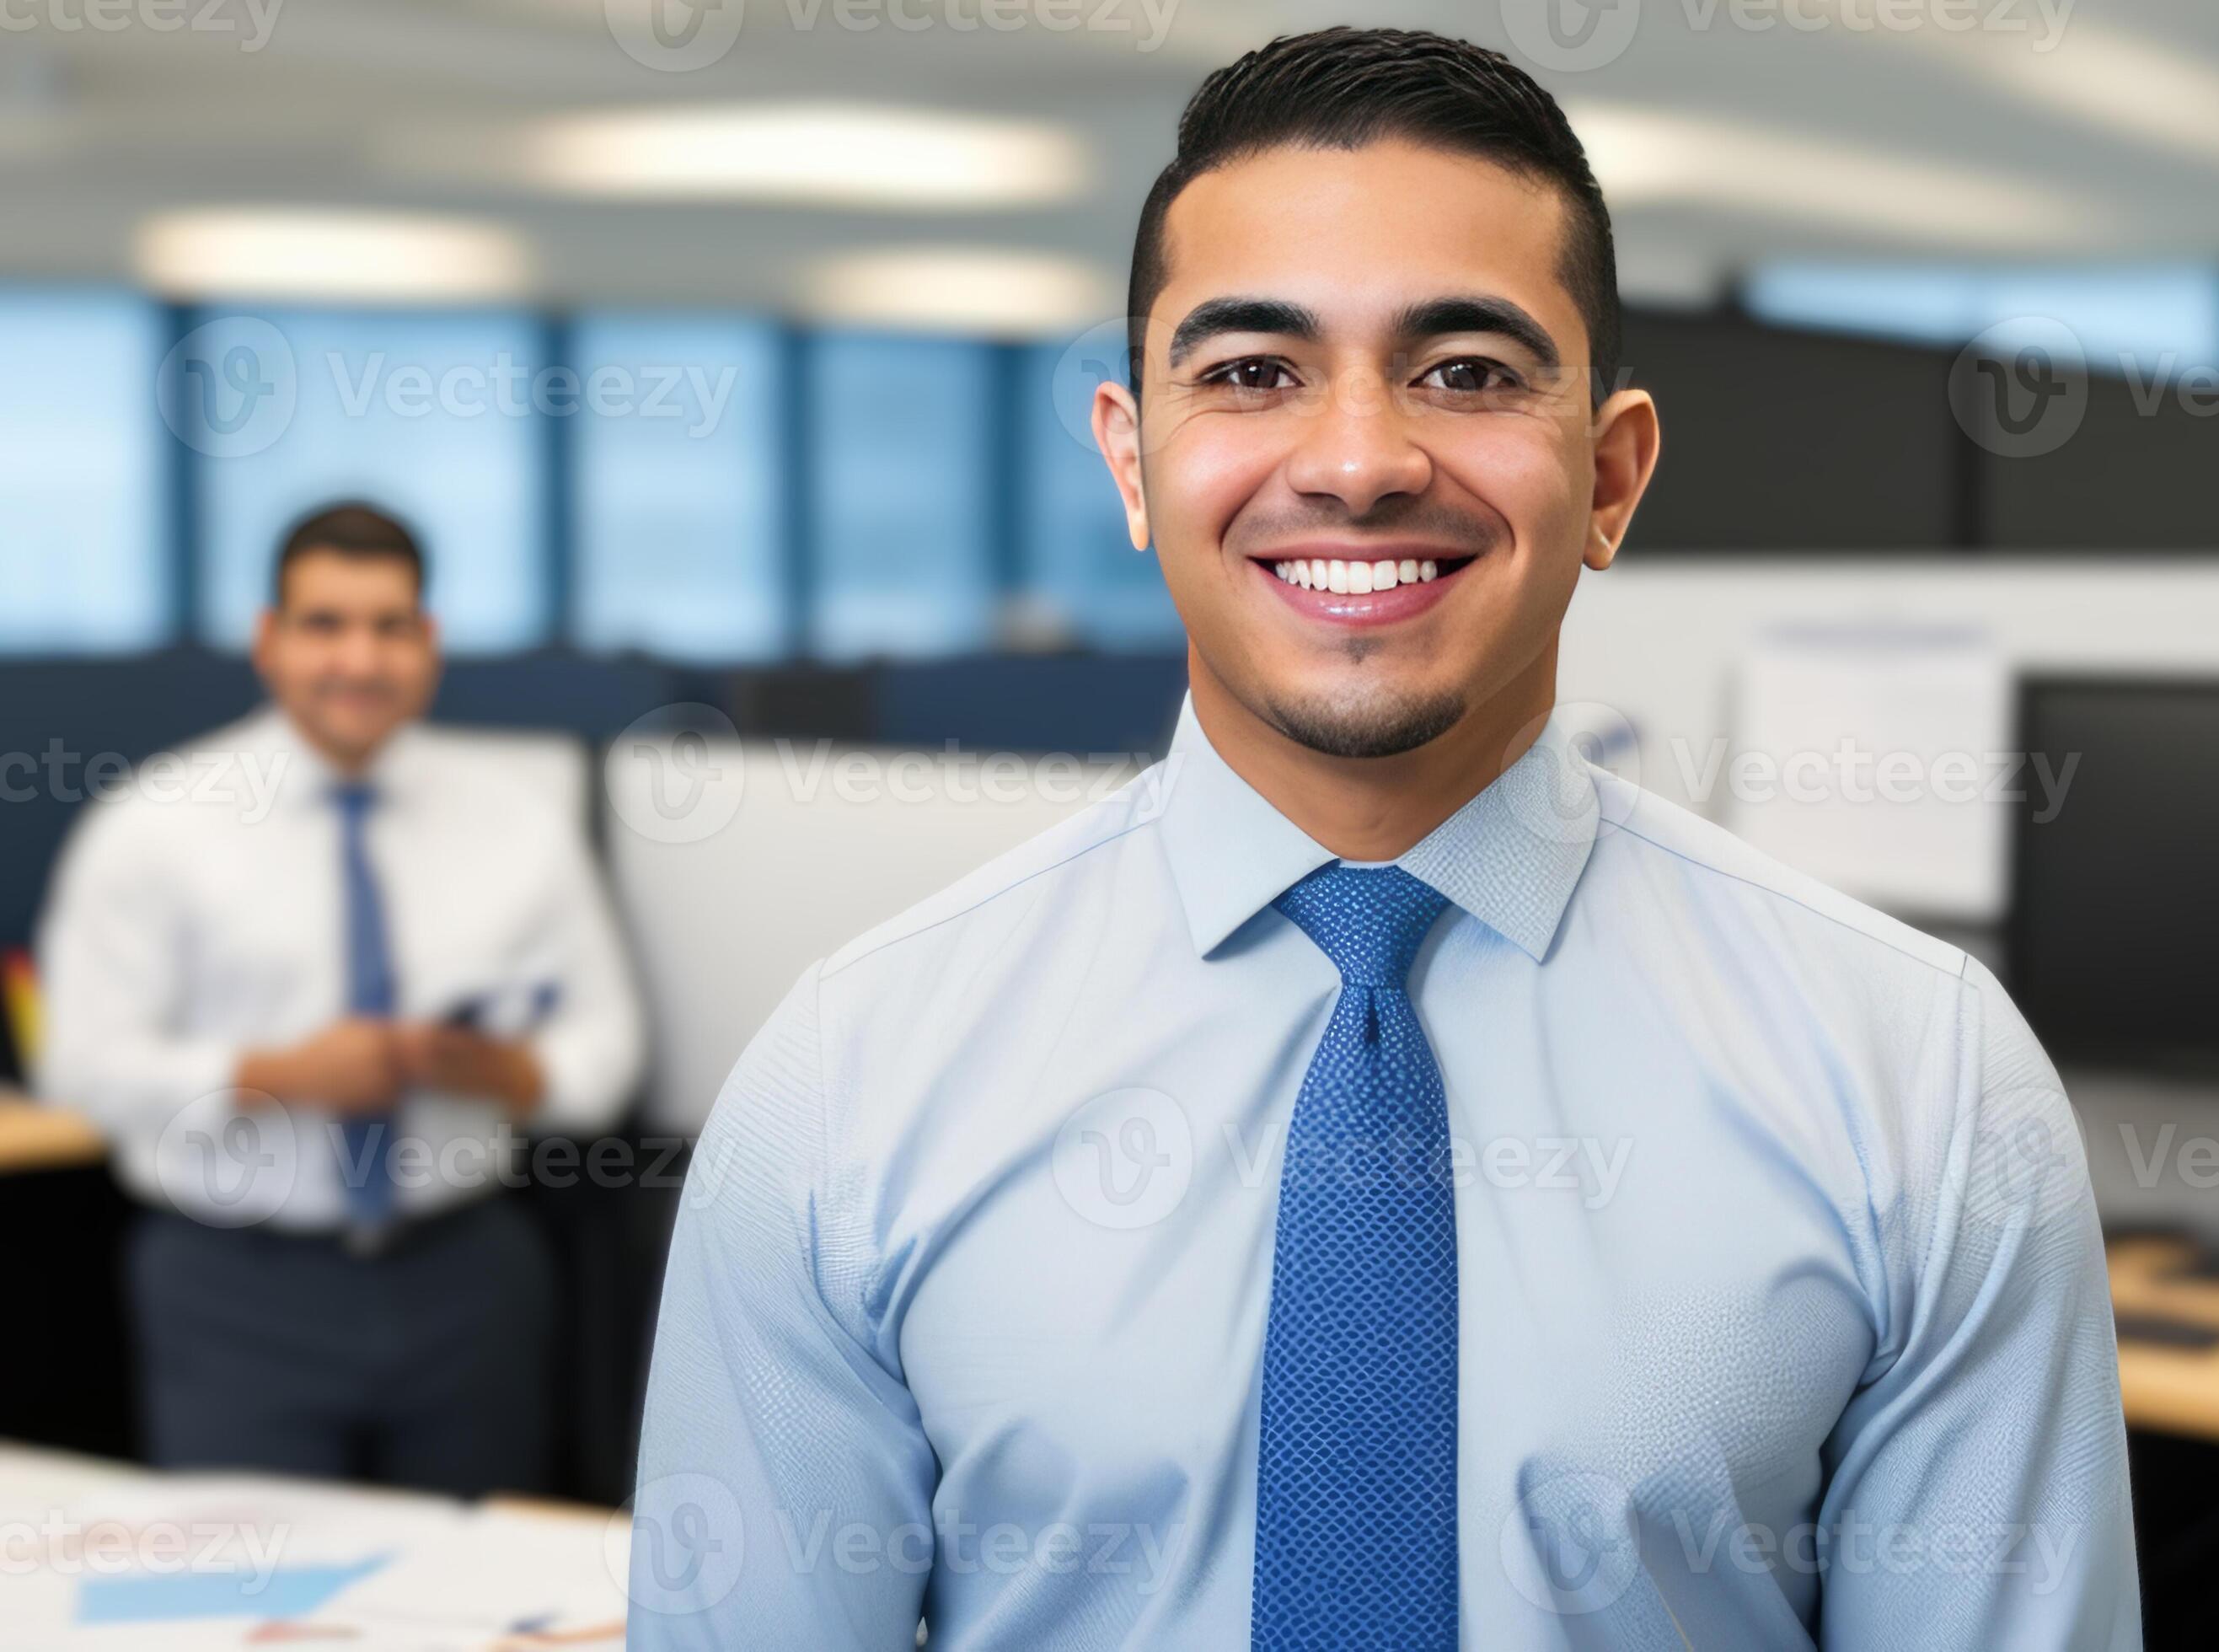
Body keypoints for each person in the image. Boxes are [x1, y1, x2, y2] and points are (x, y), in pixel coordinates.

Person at [630, 27, 2138, 1649]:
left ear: (1612, 474)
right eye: (1250, 372)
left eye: (1468, 371)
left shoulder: (1919, 1080)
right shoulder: (851, 1079)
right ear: (1134, 463)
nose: (1356, 463)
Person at [38, 502, 645, 1499]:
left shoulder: (519, 823)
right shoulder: (154, 824)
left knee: (476, 1601)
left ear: (429, 643)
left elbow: (607, 1053)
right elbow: (84, 1064)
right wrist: (274, 1075)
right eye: (325, 625)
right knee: (250, 1615)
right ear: (269, 640)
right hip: (235, 1285)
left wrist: (509, 1072)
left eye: (389, 626)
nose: (358, 660)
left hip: (468, 1274)